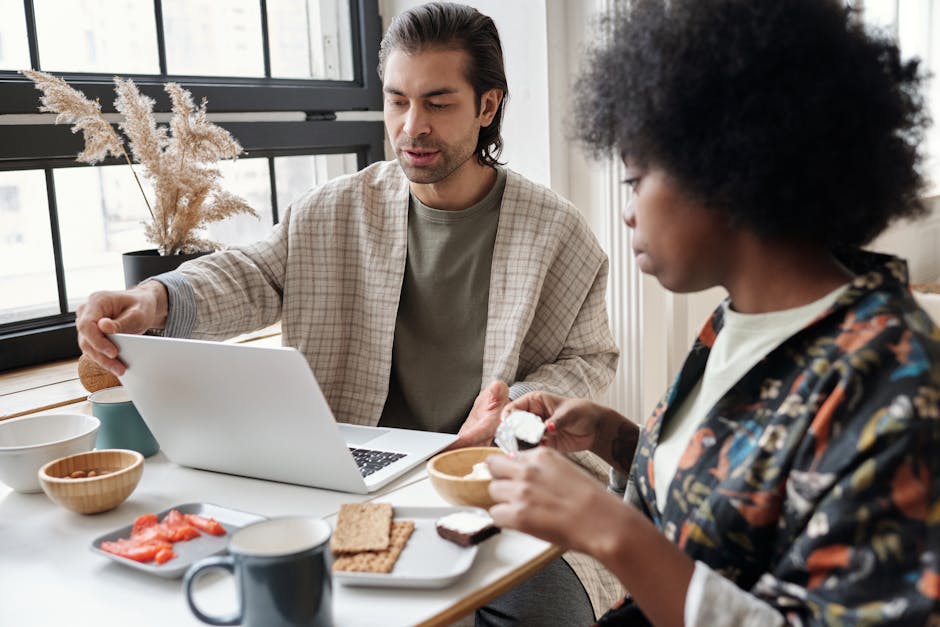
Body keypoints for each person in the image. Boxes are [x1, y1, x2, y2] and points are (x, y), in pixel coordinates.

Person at [75, 2, 622, 623]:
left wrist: (518, 405)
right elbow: (253, 272)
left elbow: (589, 357)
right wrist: (155, 298)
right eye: (397, 101)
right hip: (352, 479)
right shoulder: (332, 210)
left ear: (487, 106)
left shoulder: (557, 231)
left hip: (503, 481)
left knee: (546, 614)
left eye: (438, 103)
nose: (412, 125)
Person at [487, 1, 940, 626]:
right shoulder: (739, 322)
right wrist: (619, 440)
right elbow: (746, 503)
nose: (628, 213)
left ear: (726, 169)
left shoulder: (897, 385)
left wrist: (611, 530)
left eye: (635, 179)